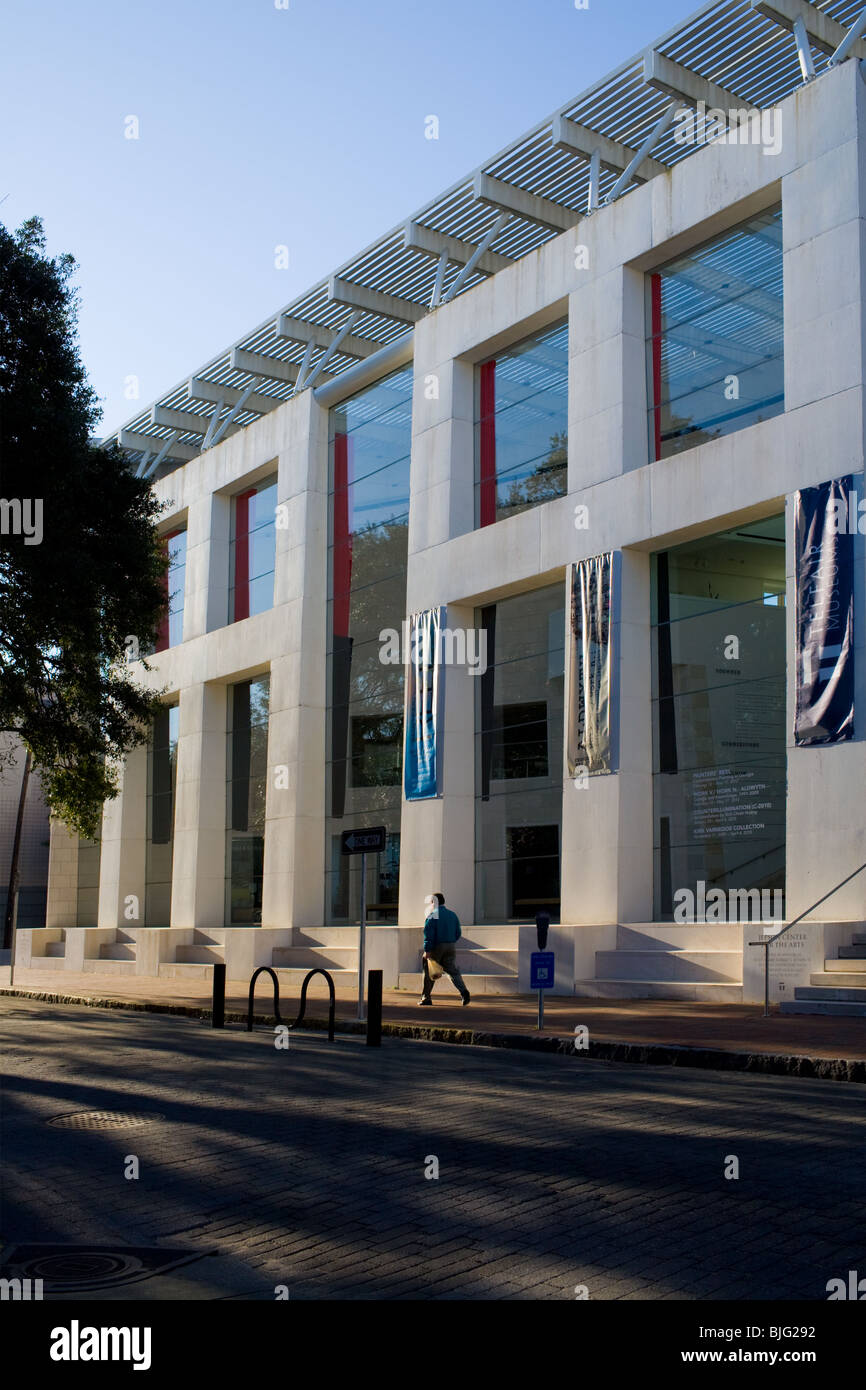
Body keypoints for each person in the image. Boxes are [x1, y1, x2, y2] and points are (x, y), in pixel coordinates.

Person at [419, 892, 470, 1006]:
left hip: (437, 946)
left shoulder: (433, 915)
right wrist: (450, 941)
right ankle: (463, 991)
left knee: (429, 970)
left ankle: (426, 997)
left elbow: (428, 934)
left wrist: (427, 950)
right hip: (450, 945)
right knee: (452, 971)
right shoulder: (452, 914)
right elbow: (458, 933)